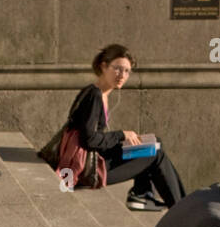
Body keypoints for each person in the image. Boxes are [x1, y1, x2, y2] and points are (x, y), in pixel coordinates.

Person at [63, 44, 185, 211]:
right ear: (103, 66)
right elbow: (89, 140)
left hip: (95, 159)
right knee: (156, 155)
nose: (122, 75)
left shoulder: (99, 93)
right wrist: (122, 135)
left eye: (127, 71)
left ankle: (142, 193)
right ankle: (182, 210)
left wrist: (127, 140)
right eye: (118, 69)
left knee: (154, 142)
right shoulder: (94, 96)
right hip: (88, 170)